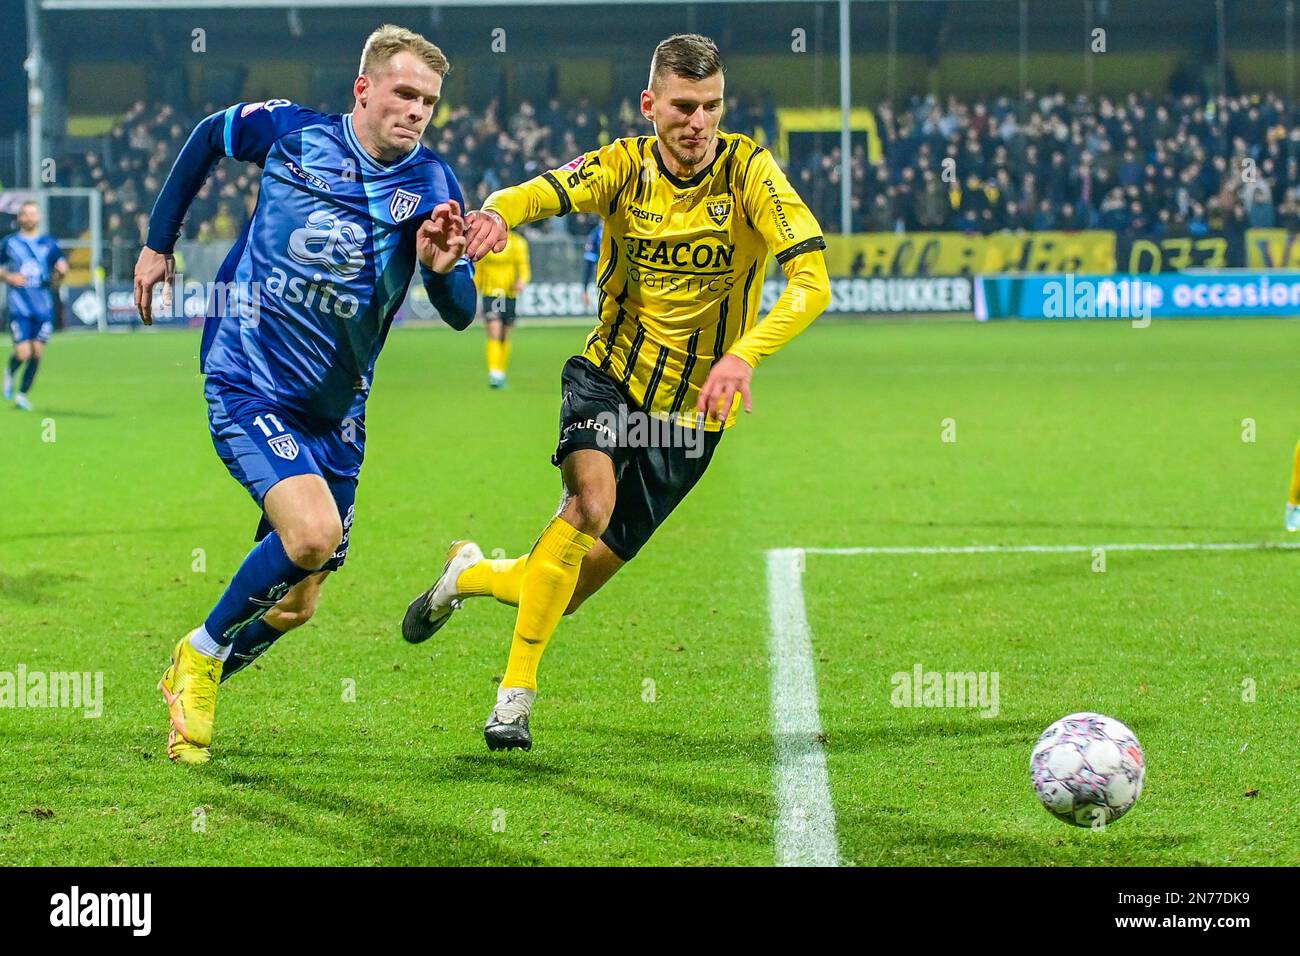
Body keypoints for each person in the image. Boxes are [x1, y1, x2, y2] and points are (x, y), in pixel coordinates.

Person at [402, 33, 831, 751]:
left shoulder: (750, 170)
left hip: (691, 419)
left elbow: (813, 284)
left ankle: (467, 574)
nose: (699, 122)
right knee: (588, 505)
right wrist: (499, 215)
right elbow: (545, 188)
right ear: (651, 104)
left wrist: (742, 357)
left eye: (712, 107)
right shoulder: (624, 166)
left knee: (560, 590)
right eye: (684, 106)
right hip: (612, 379)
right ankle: (513, 700)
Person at [135, 24, 476, 764]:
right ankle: (197, 653)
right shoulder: (290, 133)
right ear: (364, 88)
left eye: (429, 101)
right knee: (312, 534)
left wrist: (444, 266)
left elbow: (460, 311)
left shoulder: (432, 185)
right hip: (247, 376)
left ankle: (204, 676)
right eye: (405, 93)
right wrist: (161, 243)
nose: (417, 111)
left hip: (337, 412)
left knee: (297, 604)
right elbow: (206, 136)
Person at [2, 201, 68, 410]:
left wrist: (61, 273)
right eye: (25, 214)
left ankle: (22, 395)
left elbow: (60, 269)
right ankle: (10, 371)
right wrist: (9, 277)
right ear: (20, 218)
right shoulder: (10, 243)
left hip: (43, 307)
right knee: (24, 353)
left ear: (38, 218)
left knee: (37, 353)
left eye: (32, 214)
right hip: (20, 307)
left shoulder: (49, 243)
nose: (29, 218)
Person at [474, 227, 530, 388]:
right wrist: (474, 291)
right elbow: (479, 270)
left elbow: (524, 267)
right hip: (491, 293)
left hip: (509, 294)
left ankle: (501, 372)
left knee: (505, 335)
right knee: (494, 331)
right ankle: (494, 373)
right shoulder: (485, 241)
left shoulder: (518, 243)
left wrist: (522, 281)